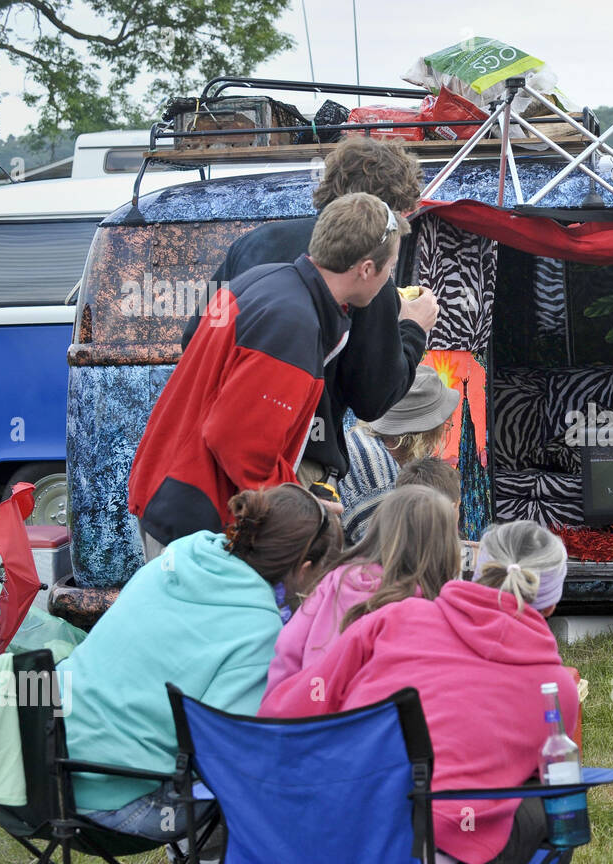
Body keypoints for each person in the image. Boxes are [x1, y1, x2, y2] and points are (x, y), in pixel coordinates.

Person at [260, 520, 577, 864]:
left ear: (479, 570)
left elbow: (295, 709)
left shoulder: (395, 617)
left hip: (338, 826)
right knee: (560, 798)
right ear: (550, 606)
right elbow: (544, 768)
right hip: (441, 845)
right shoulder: (556, 687)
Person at [128, 192, 402, 557]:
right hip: (199, 521)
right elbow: (240, 443)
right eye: (390, 269)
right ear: (367, 269)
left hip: (173, 493)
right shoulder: (292, 323)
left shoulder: (266, 281)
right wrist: (305, 511)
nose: (389, 280)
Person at [59, 484, 340, 838]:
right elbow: (229, 757)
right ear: (305, 568)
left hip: (48, 769)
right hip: (115, 802)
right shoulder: (259, 629)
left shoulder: (177, 558)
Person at [182, 135, 440, 502]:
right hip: (290, 469)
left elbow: (194, 338)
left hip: (210, 460)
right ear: (383, 214)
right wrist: (413, 328)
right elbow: (374, 397)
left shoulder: (252, 244)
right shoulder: (368, 276)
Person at [262, 484, 460, 699]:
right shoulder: (423, 612)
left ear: (377, 528)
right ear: (445, 550)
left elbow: (289, 645)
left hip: (306, 709)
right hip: (362, 723)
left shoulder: (336, 578)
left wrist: (281, 703)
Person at [338, 365, 460, 544]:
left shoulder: (364, 440)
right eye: (443, 424)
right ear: (423, 435)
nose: (445, 429)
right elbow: (385, 557)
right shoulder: (377, 476)